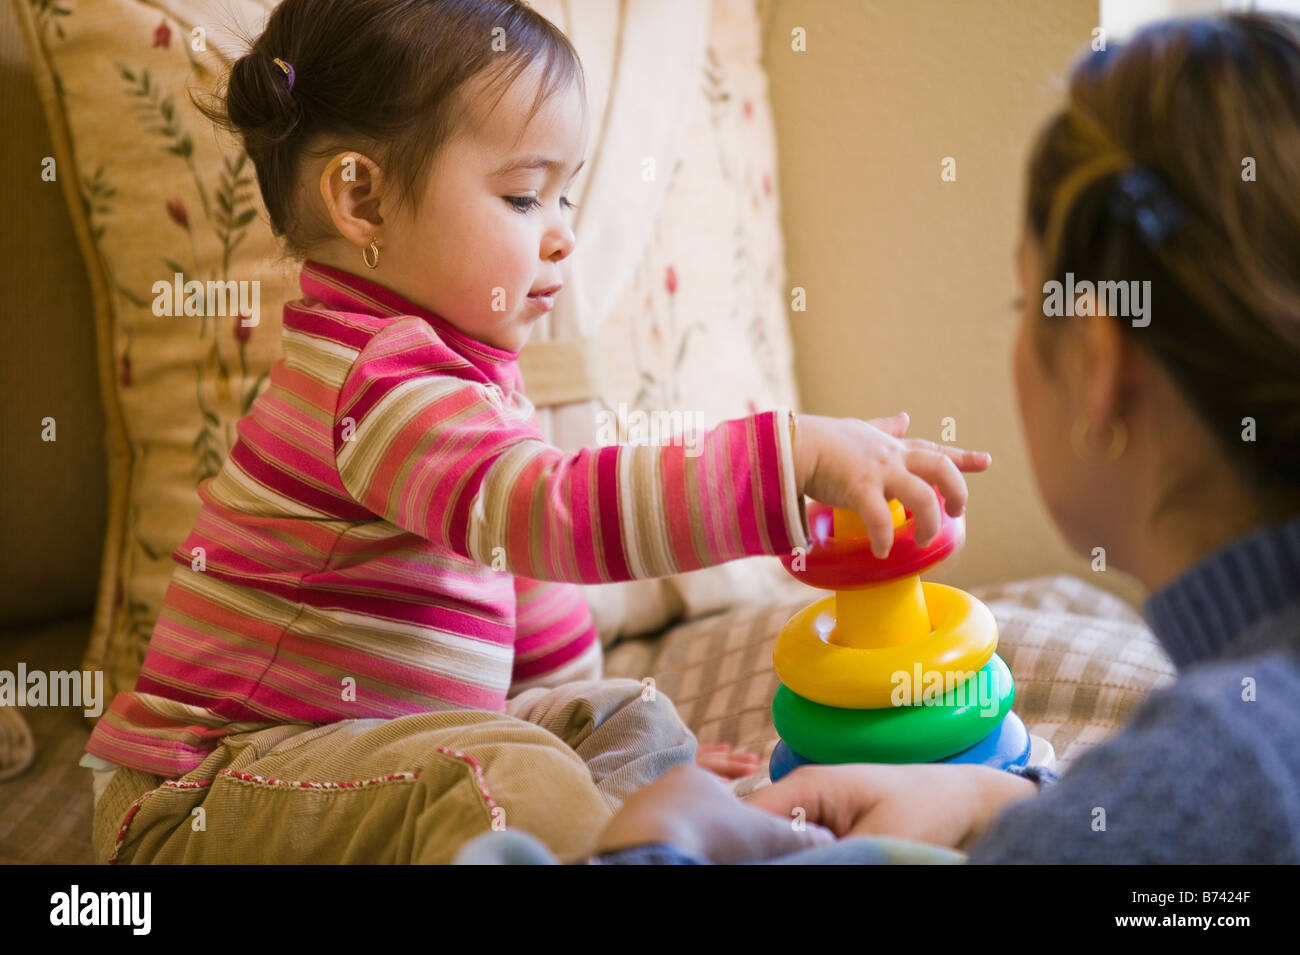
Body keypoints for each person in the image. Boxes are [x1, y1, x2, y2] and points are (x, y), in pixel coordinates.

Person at [80, 0, 991, 865]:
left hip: (370, 755)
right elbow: (545, 513)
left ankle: (642, 821)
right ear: (362, 199)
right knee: (502, 773)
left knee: (623, 711)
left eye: (567, 197)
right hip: (201, 797)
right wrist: (786, 460)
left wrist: (630, 755)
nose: (561, 236)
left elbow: (522, 580)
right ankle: (626, 844)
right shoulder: (377, 379)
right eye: (524, 198)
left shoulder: (461, 374)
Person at [456, 9, 1300, 865]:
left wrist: (663, 839)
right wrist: (996, 797)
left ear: (1098, 361)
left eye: (1024, 306)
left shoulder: (1220, 772)